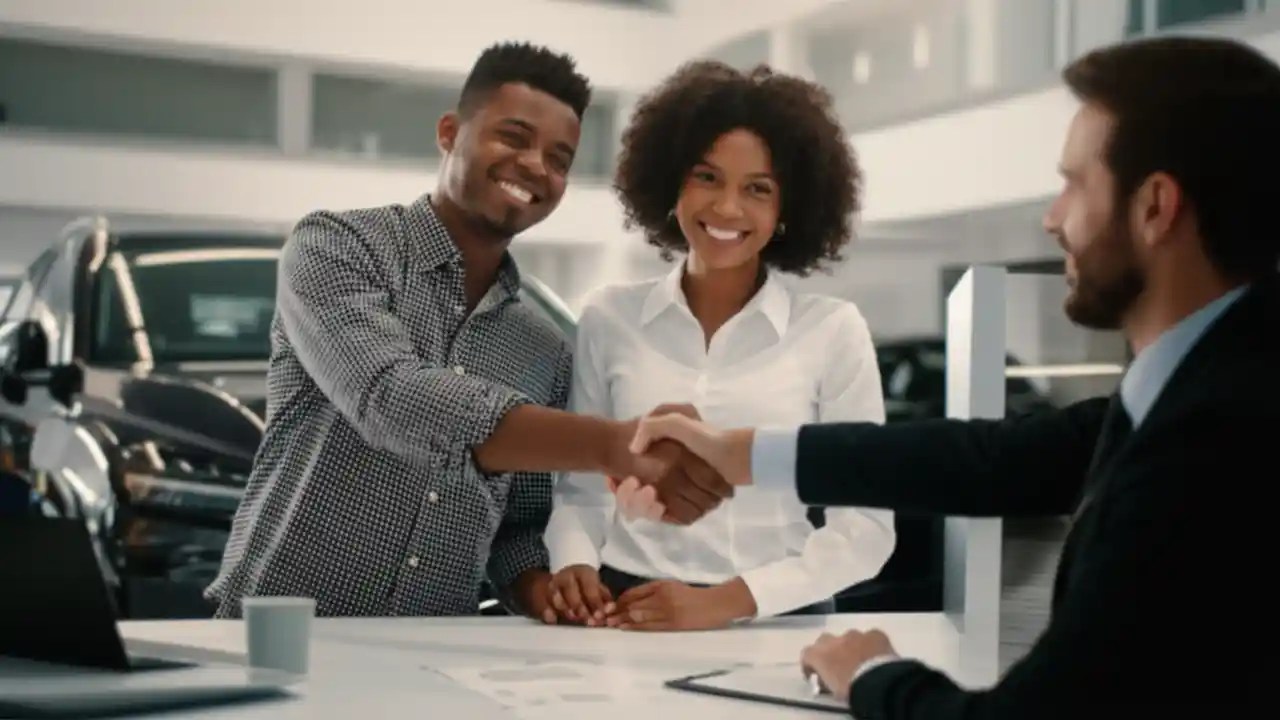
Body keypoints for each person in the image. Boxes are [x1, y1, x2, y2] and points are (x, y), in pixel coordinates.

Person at [617, 36, 1278, 716]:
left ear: (1155, 207)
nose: (1052, 219)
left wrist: (871, 672)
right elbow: (1000, 458)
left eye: (1075, 184)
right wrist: (743, 453)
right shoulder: (1212, 386)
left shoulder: (1217, 442)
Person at [206, 41, 725, 621]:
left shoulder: (545, 347)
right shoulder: (337, 247)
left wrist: (545, 592)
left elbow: (517, 528)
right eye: (514, 137)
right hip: (284, 632)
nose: (536, 167)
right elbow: (390, 397)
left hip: (436, 650)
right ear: (450, 132)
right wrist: (616, 444)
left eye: (559, 159)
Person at [541, 61, 895, 632]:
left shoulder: (833, 330)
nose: (728, 208)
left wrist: (722, 602)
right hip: (627, 609)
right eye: (707, 177)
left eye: (758, 189)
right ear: (671, 184)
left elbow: (866, 531)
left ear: (788, 210)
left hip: (777, 616)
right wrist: (575, 563)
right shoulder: (609, 316)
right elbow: (581, 490)